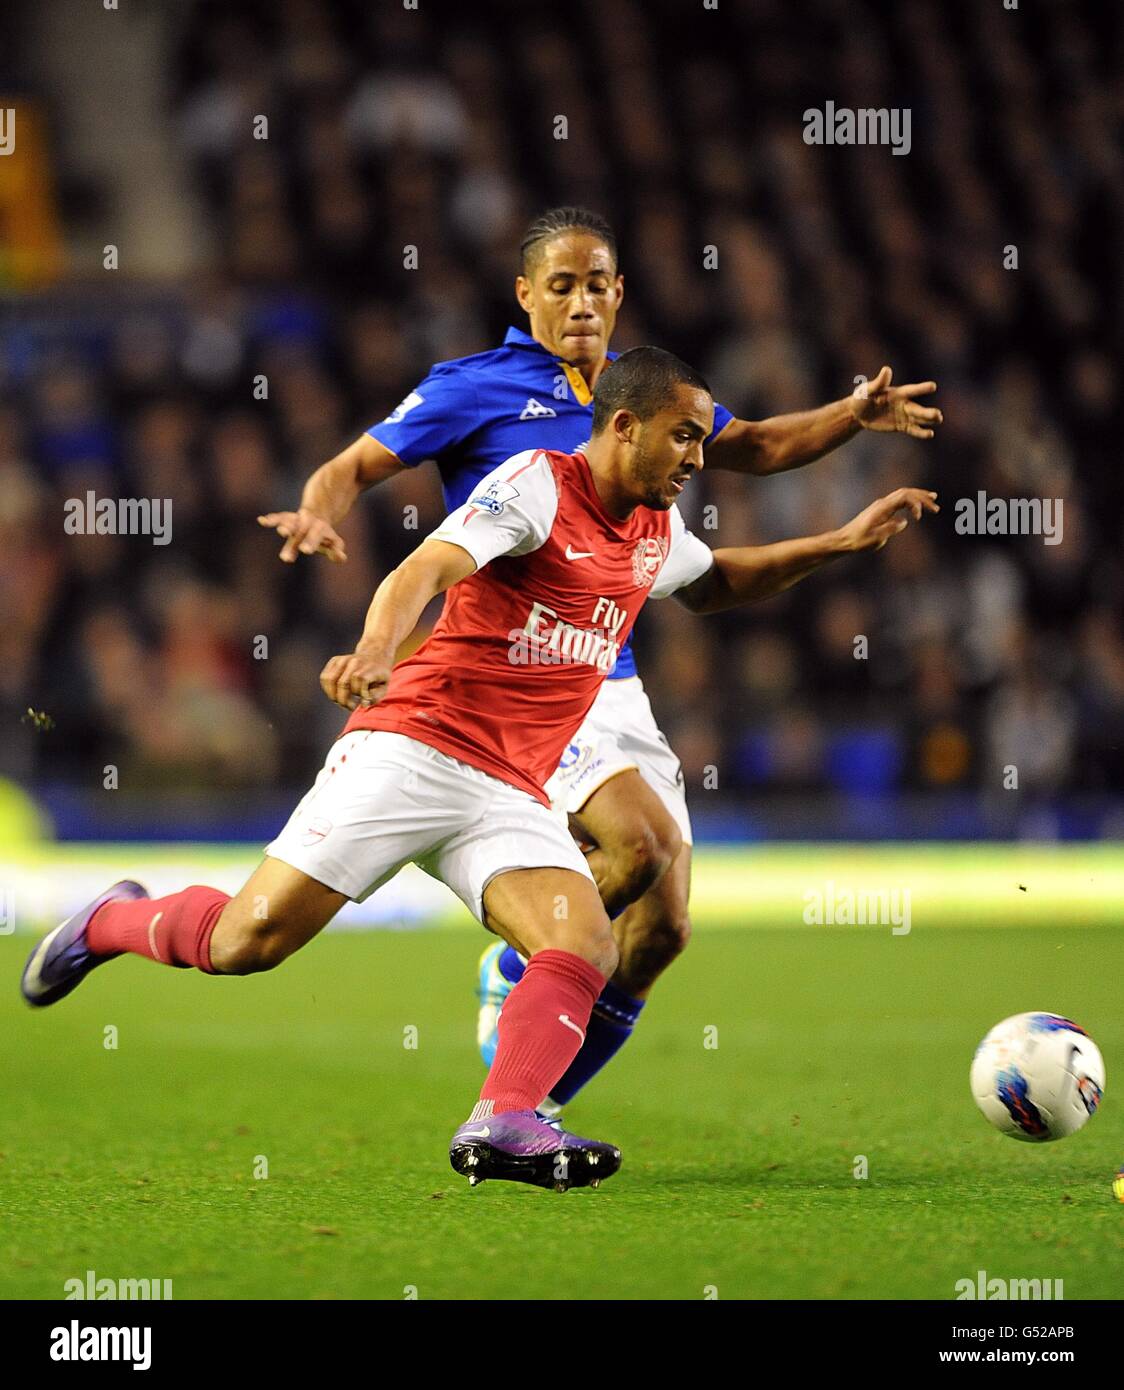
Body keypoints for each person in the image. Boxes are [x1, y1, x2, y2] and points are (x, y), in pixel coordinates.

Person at [23, 347, 936, 1189]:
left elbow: (718, 582)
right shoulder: (538, 484)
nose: (699, 455)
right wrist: (378, 648)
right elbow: (424, 567)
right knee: (246, 944)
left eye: (702, 437)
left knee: (584, 942)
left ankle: (503, 1120)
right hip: (413, 747)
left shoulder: (654, 529)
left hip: (508, 790)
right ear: (624, 427)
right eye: (685, 435)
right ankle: (109, 921)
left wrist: (839, 546)